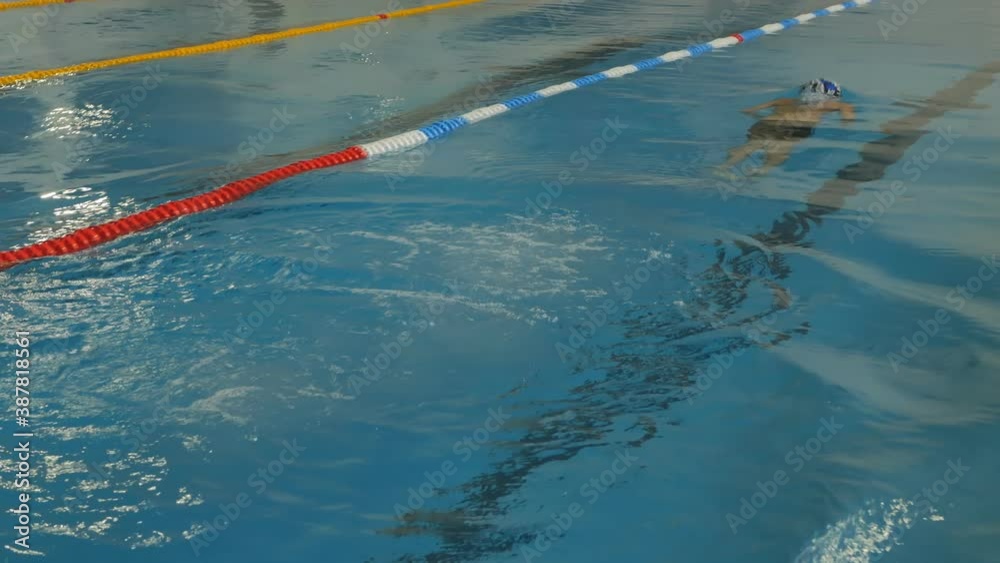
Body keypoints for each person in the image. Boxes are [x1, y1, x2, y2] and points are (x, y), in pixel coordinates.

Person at [716, 79, 855, 180]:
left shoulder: (783, 101)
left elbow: (748, 111)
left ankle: (722, 167)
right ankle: (763, 170)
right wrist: (844, 128)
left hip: (765, 123)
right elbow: (847, 120)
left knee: (752, 145)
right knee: (782, 151)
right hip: (796, 127)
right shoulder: (836, 105)